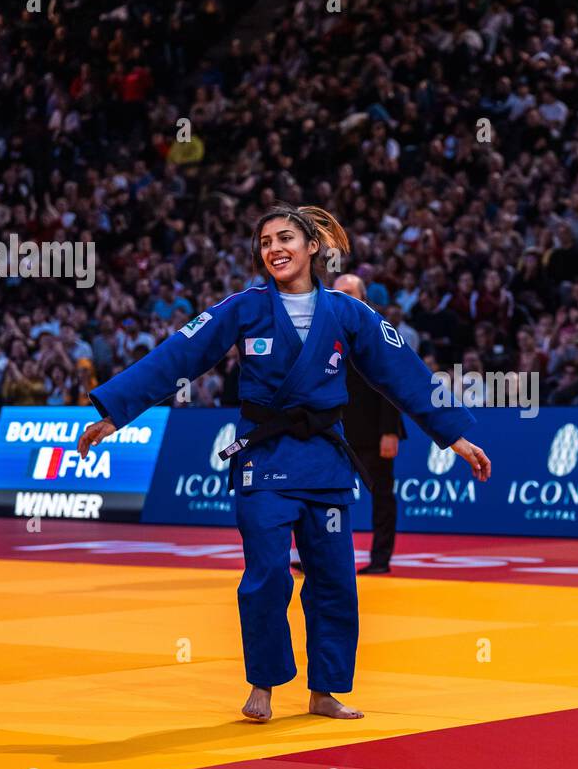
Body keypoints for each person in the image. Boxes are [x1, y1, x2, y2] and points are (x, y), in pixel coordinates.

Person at [77, 203, 490, 723]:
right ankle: (264, 684)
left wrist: (453, 436)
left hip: (325, 460)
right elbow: (178, 356)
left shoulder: (348, 312)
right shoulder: (244, 307)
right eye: (266, 241)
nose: (275, 248)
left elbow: (402, 372)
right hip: (264, 457)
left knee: (335, 578)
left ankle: (327, 690)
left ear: (313, 246)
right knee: (268, 576)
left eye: (286, 238)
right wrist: (117, 412)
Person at [334, 273, 406, 575]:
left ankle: (380, 559)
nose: (344, 297)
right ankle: (323, 559)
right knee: (324, 500)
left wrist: (390, 430)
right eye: (337, 293)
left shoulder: (378, 332)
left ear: (364, 297)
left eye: (350, 292)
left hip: (373, 432)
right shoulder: (322, 331)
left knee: (381, 498)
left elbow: (392, 384)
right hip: (333, 433)